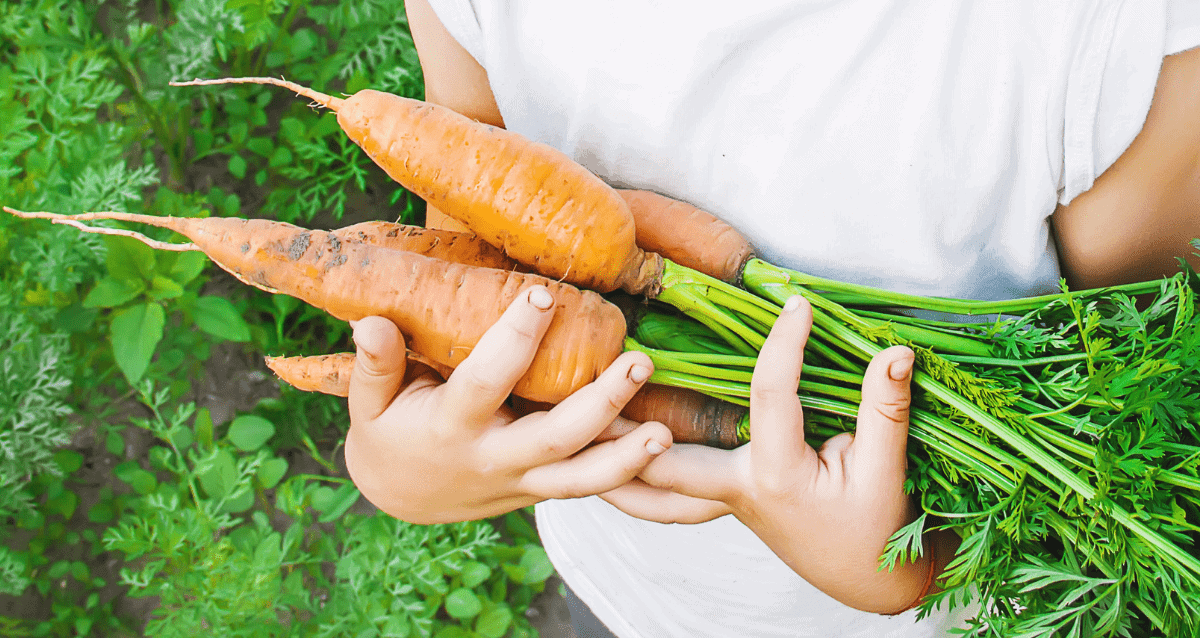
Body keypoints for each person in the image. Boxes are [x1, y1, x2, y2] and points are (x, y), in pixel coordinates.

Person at [343, 1, 1200, 636]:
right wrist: (412, 466)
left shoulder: (1115, 33)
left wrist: (914, 569)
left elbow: (1137, 396)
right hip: (633, 588)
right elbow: (466, 227)